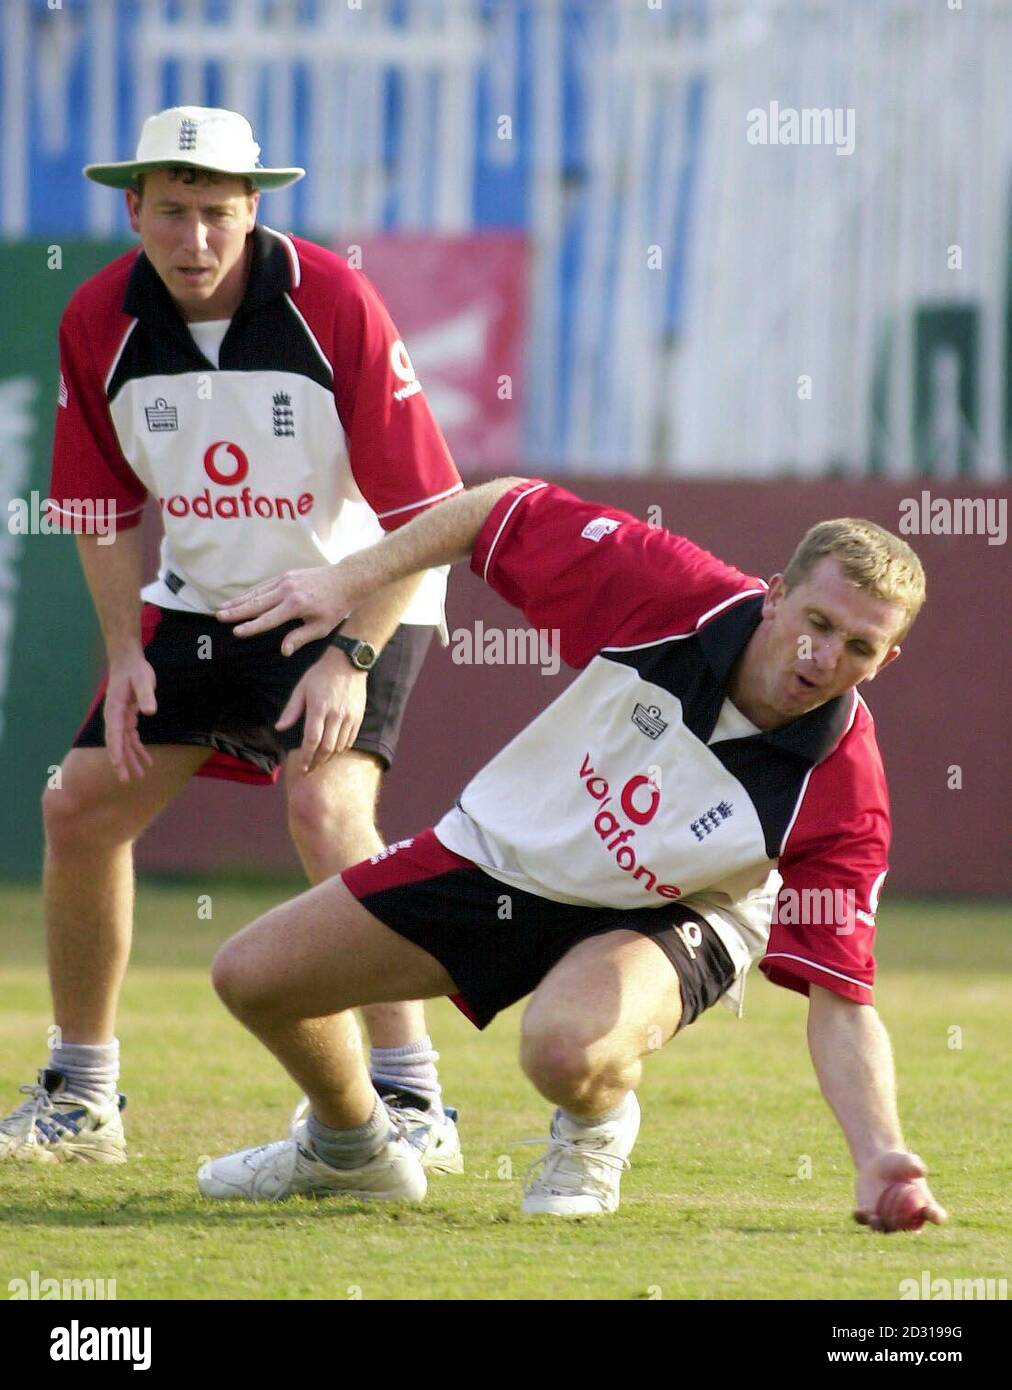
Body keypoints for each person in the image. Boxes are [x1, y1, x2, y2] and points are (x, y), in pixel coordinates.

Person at [194, 476, 948, 1226]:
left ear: (887, 659)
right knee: (252, 978)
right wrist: (344, 581)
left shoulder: (845, 787)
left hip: (678, 909)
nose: (822, 657)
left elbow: (842, 1003)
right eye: (816, 620)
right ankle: (351, 1147)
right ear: (775, 595)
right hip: (509, 851)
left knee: (560, 1050)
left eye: (859, 646)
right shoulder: (671, 593)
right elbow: (498, 507)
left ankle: (595, 1126)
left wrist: (878, 1152)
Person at [0, 106, 464, 1173]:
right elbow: (101, 506)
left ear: (253, 209)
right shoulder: (96, 320)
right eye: (172, 212)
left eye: (216, 211)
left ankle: (413, 1098)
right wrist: (124, 651)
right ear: (134, 212)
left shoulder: (330, 299)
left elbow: (426, 516)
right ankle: (83, 1092)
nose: (194, 238)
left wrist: (350, 649)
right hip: (199, 608)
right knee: (76, 807)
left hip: (353, 590)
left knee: (325, 801)